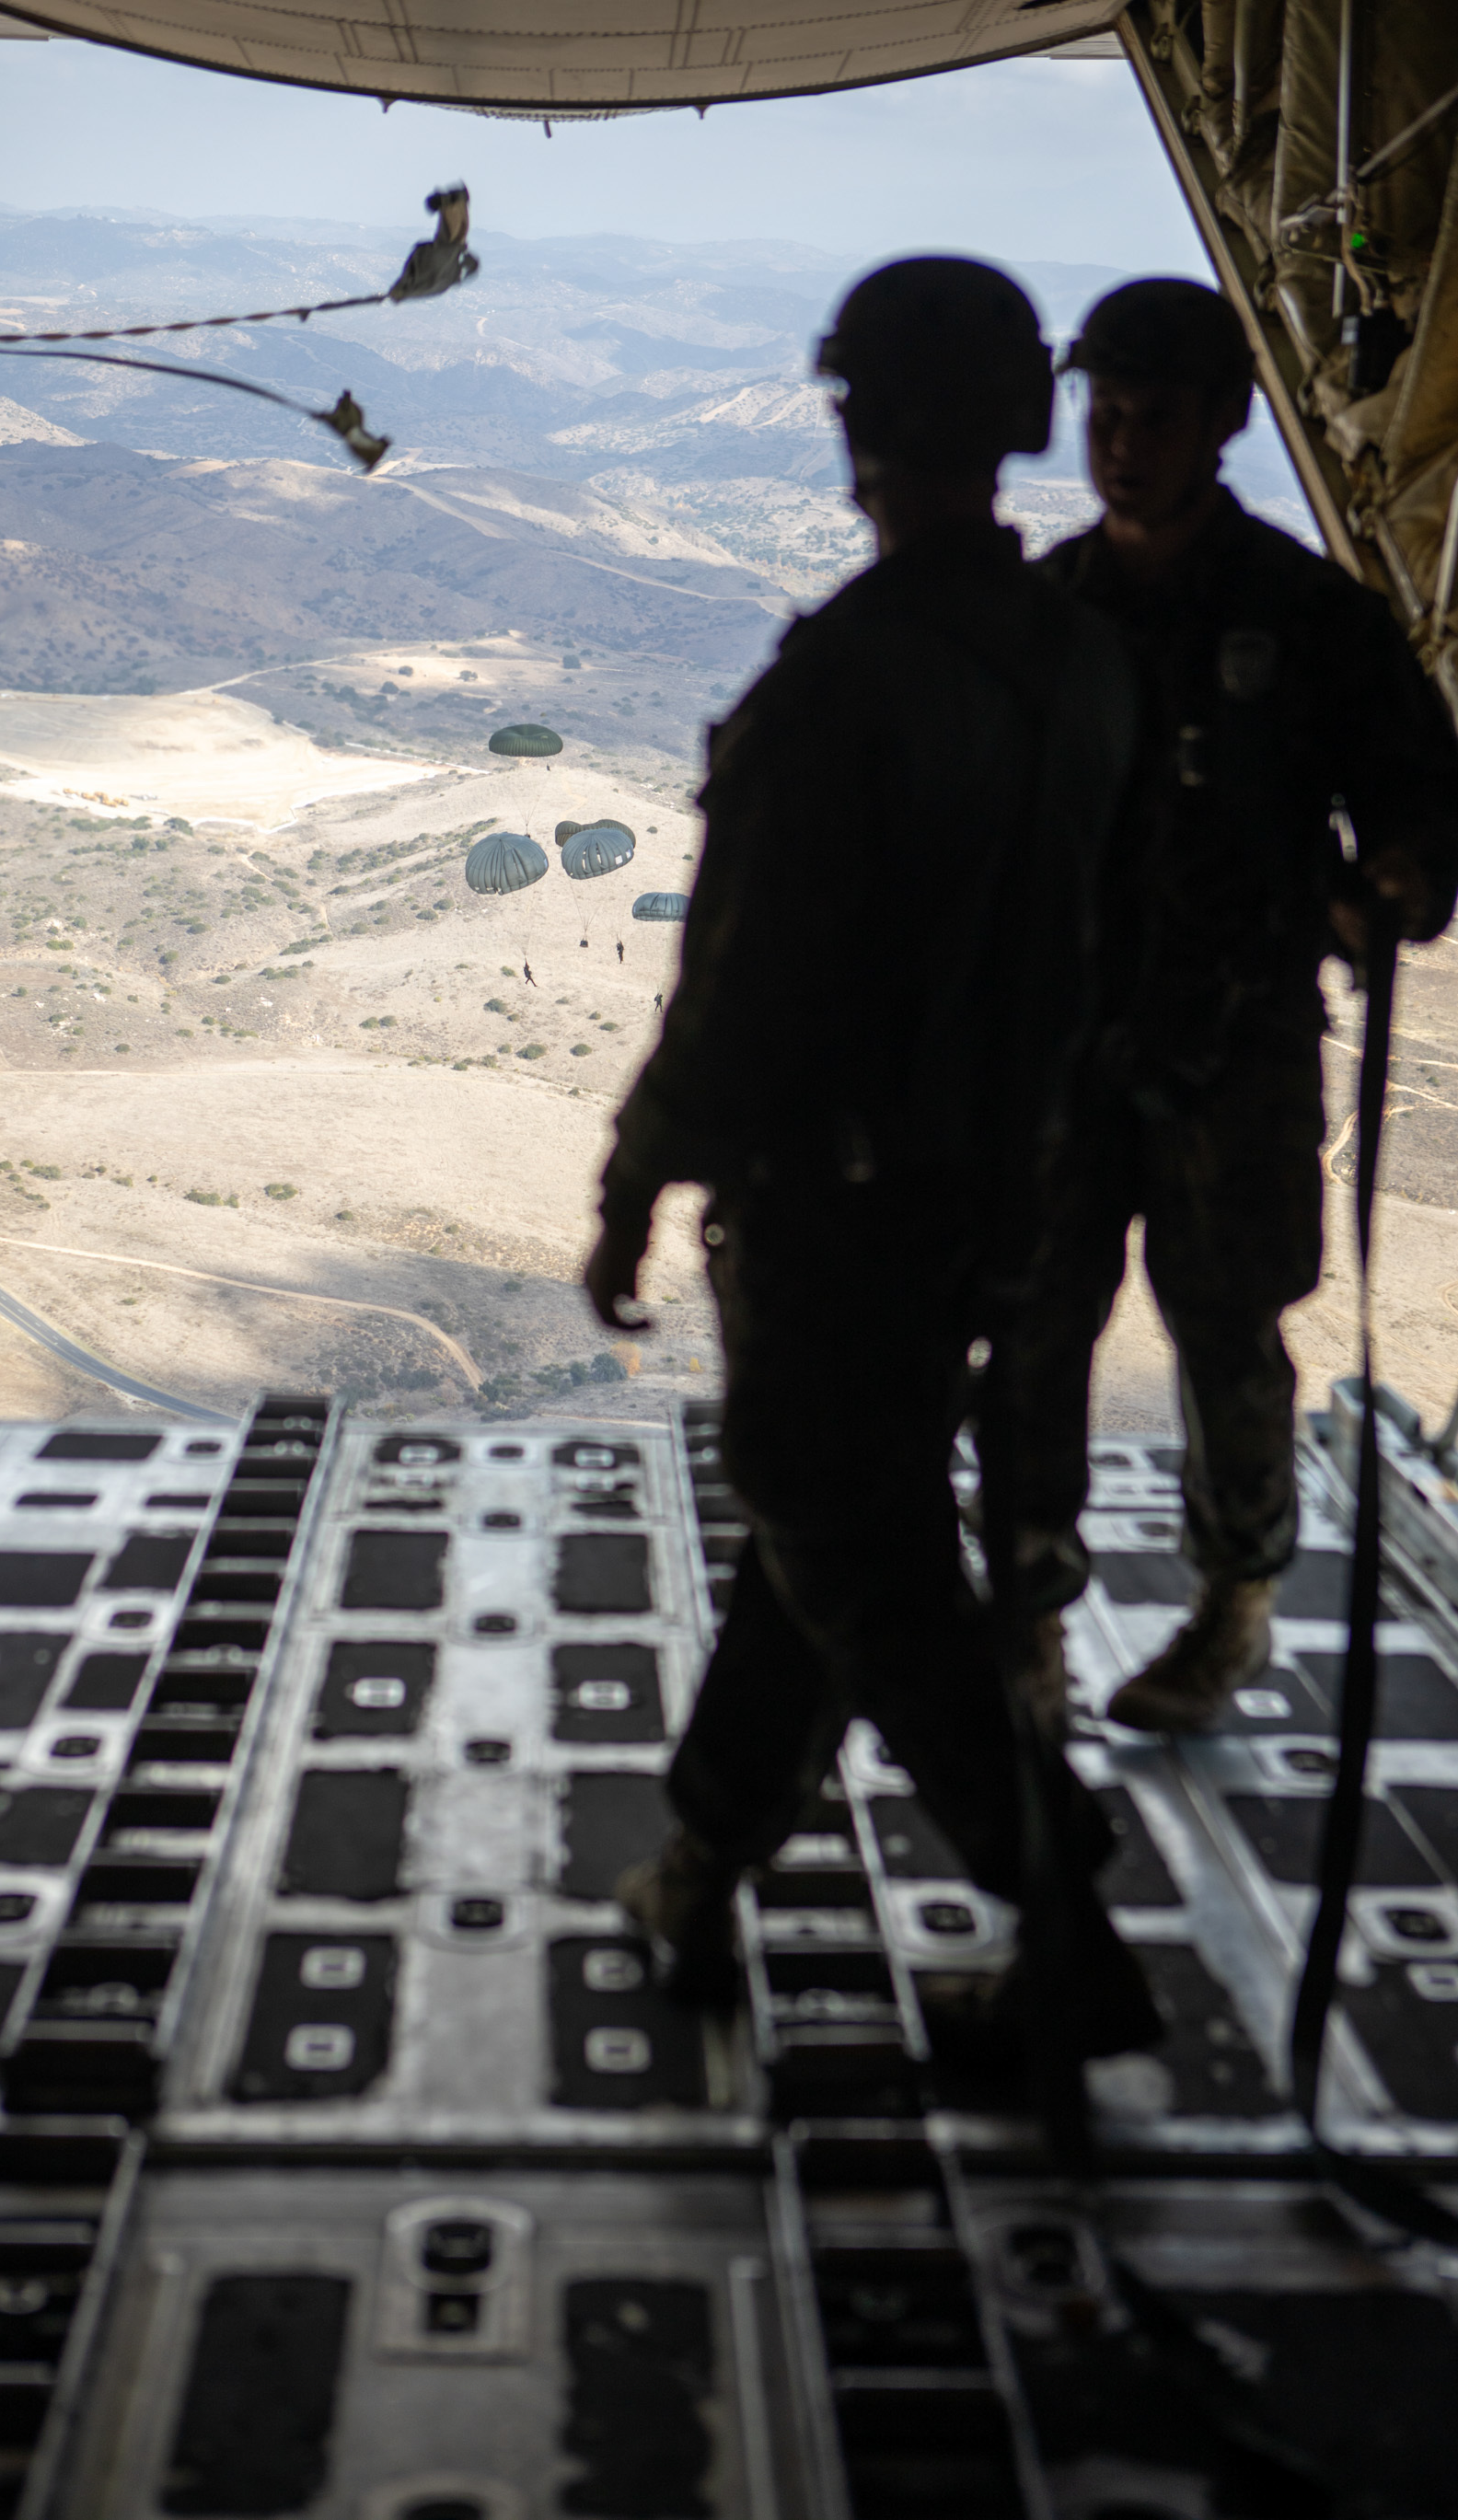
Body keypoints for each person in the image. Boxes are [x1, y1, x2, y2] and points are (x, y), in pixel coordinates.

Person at [584, 257, 1157, 2062]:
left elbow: (744, 983)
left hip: (841, 1210)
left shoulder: (845, 681)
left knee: (853, 1547)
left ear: (855, 434)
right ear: (1020, 427)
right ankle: (697, 1860)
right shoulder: (1082, 660)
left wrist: (635, 1181)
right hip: (1006, 1198)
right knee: (832, 1526)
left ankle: (1057, 1898)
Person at [990, 280, 1458, 1733]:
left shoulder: (1308, 621)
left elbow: (1422, 814)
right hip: (1063, 1048)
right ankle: (1027, 1618)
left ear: (1226, 422)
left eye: (1152, 420)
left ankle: (1233, 1608)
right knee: (1031, 1332)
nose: (1119, 446)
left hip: (1236, 1045)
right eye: (1102, 417)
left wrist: (1385, 877)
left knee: (1228, 1336)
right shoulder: (1047, 613)